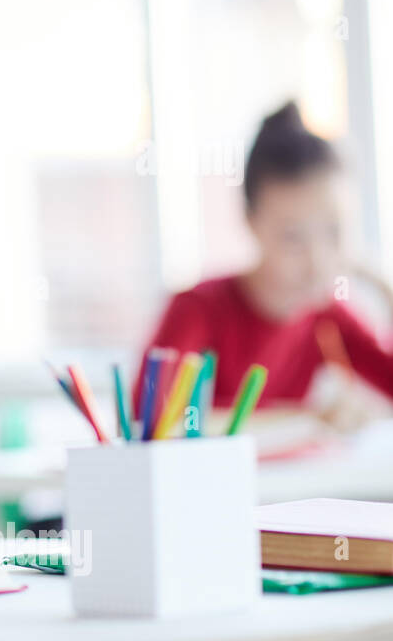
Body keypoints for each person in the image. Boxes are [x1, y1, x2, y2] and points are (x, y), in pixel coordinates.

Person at [135, 100, 393, 426]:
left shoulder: (329, 314)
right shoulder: (197, 308)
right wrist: (306, 418)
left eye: (334, 232)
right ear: (251, 222)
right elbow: (151, 420)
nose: (317, 260)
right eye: (292, 236)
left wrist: (382, 283)